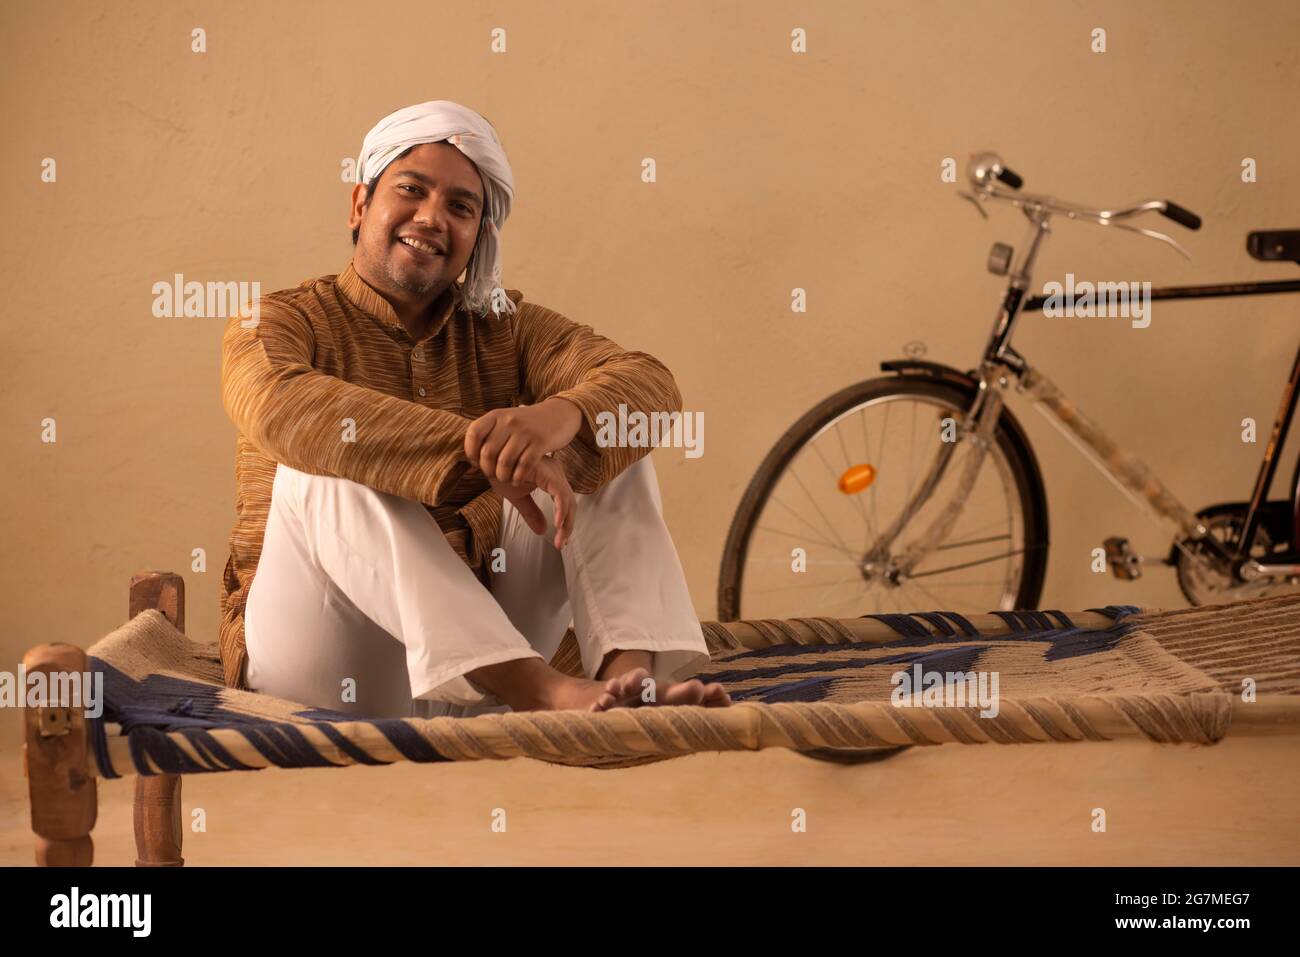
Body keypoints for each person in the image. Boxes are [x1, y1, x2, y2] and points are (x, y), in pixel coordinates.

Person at [218, 100, 730, 718]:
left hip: (482, 653)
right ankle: (541, 691)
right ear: (360, 205)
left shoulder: (503, 328)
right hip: (329, 659)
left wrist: (559, 417)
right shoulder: (278, 321)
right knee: (319, 469)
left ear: (478, 234)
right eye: (412, 190)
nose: (432, 218)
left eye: (461, 207)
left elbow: (648, 384)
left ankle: (627, 681)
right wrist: (485, 455)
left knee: (604, 445)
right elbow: (280, 407)